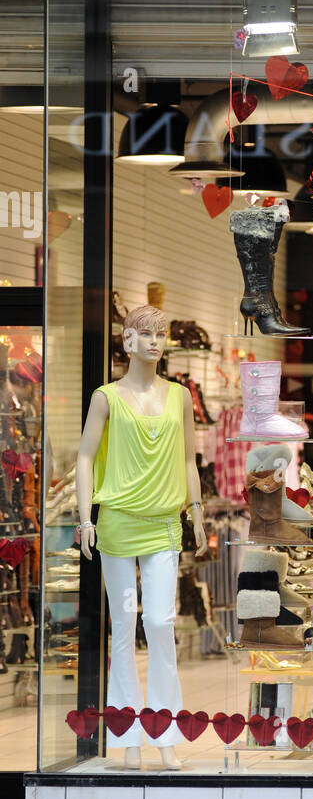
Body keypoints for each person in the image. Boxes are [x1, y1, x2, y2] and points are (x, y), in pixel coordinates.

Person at [76, 305, 208, 770]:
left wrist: (199, 517)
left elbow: (190, 461)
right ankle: (129, 734)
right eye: (145, 333)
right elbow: (85, 457)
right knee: (124, 628)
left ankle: (165, 733)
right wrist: (84, 517)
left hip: (164, 524)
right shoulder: (106, 397)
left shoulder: (180, 397)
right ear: (127, 340)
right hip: (115, 523)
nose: (155, 341)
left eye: (161, 333)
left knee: (160, 623)